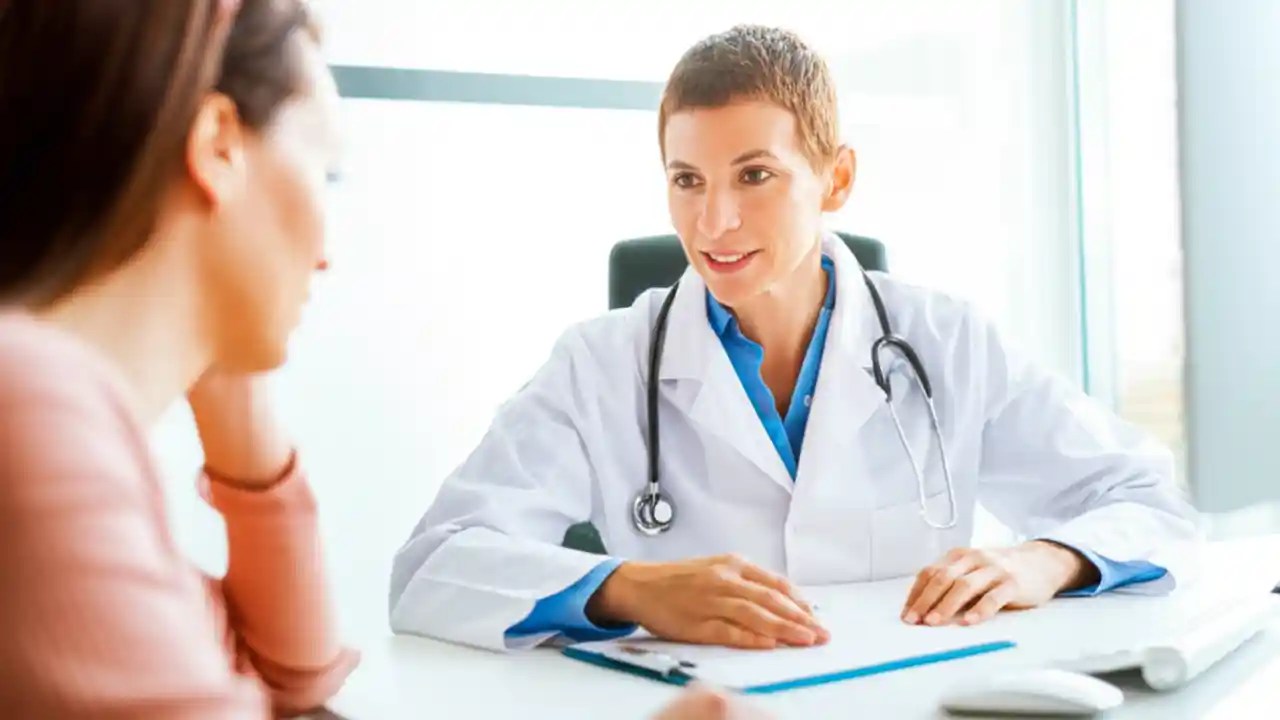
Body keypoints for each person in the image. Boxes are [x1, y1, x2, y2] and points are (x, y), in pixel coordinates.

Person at [389, 25, 1199, 653]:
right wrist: (625, 589)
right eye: (687, 180)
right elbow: (433, 566)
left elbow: (1148, 502)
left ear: (835, 179)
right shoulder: (602, 364)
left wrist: (1043, 561)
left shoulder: (946, 342)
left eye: (754, 175)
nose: (713, 223)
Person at [0, 0, 357, 715]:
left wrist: (237, 387)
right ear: (219, 143)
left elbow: (287, 683)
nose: (326, 255)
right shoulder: (27, 405)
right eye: (325, 177)